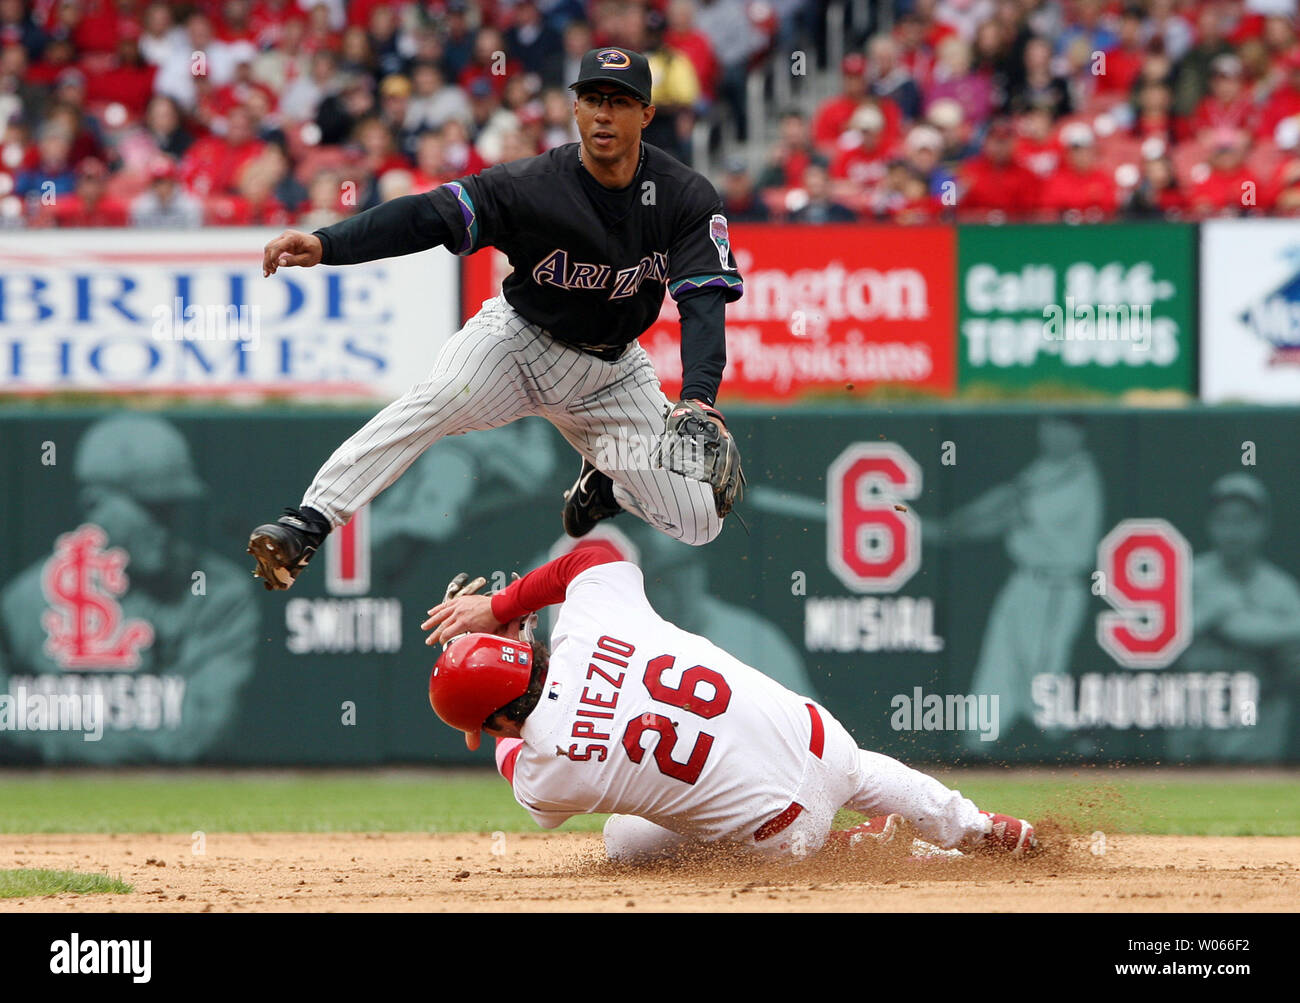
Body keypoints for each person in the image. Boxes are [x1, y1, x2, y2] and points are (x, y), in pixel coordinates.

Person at [247, 48, 746, 591]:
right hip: (516, 346)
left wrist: (699, 398)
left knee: (701, 519)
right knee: (439, 398)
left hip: (614, 375)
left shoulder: (684, 196)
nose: (605, 114)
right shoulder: (532, 184)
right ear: (575, 109)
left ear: (646, 114)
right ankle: (310, 520)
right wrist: (328, 243)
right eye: (593, 99)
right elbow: (425, 215)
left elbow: (703, 300)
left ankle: (606, 487)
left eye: (621, 102)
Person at [421, 545, 1037, 862]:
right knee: (851, 765)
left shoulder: (550, 766)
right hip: (824, 742)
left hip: (782, 837)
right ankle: (977, 828)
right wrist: (504, 612)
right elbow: (593, 558)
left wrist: (482, 714)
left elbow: (515, 745)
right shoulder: (589, 621)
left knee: (623, 841)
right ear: (526, 651)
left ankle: (853, 849)